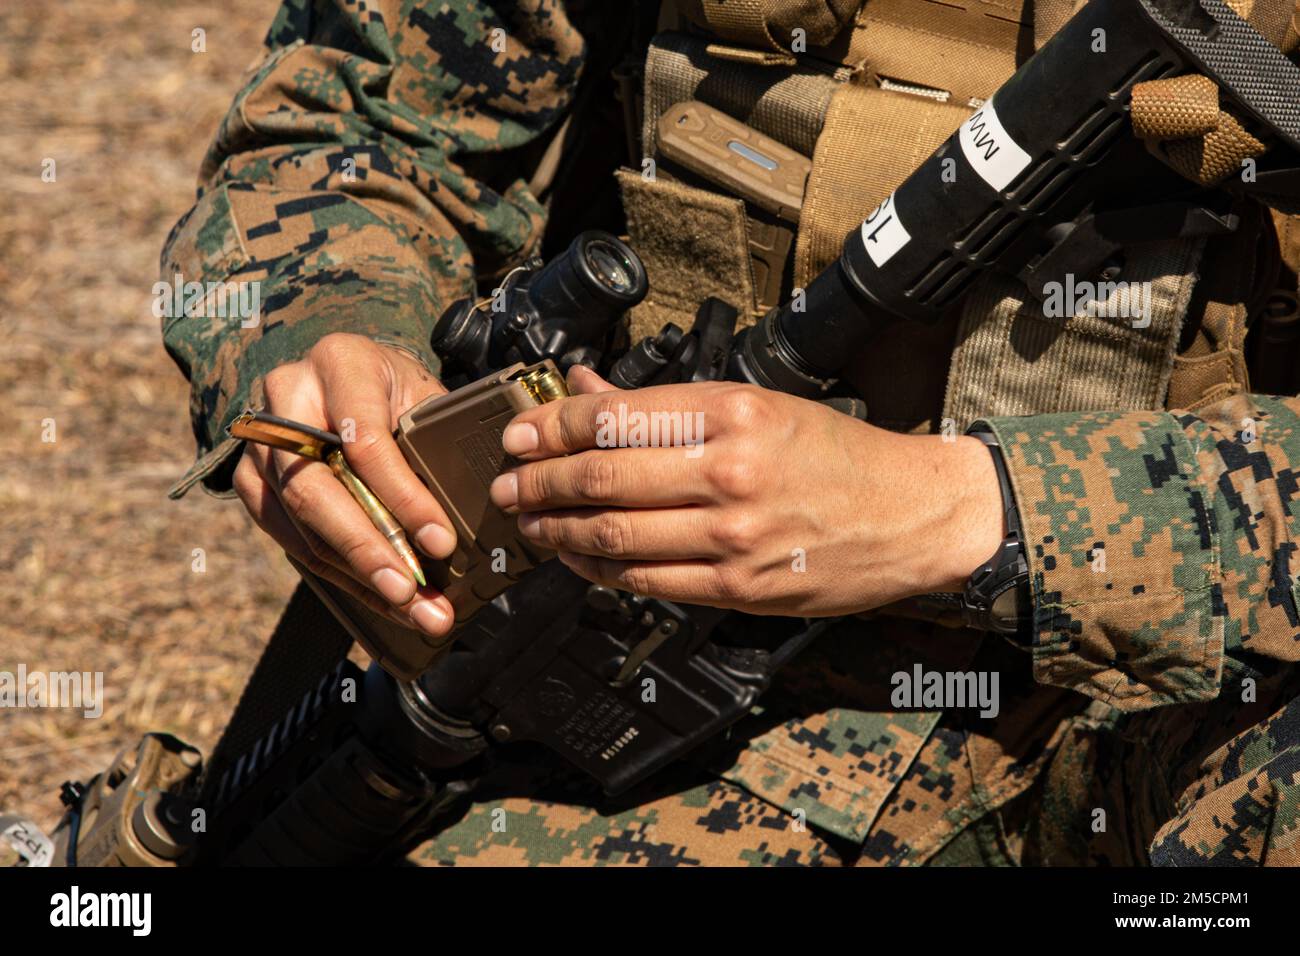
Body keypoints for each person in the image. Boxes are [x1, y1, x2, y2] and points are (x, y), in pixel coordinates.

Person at [161, 0, 1300, 865]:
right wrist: (322, 334)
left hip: (1204, 698)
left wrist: (977, 513)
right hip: (690, 703)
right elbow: (354, 122)